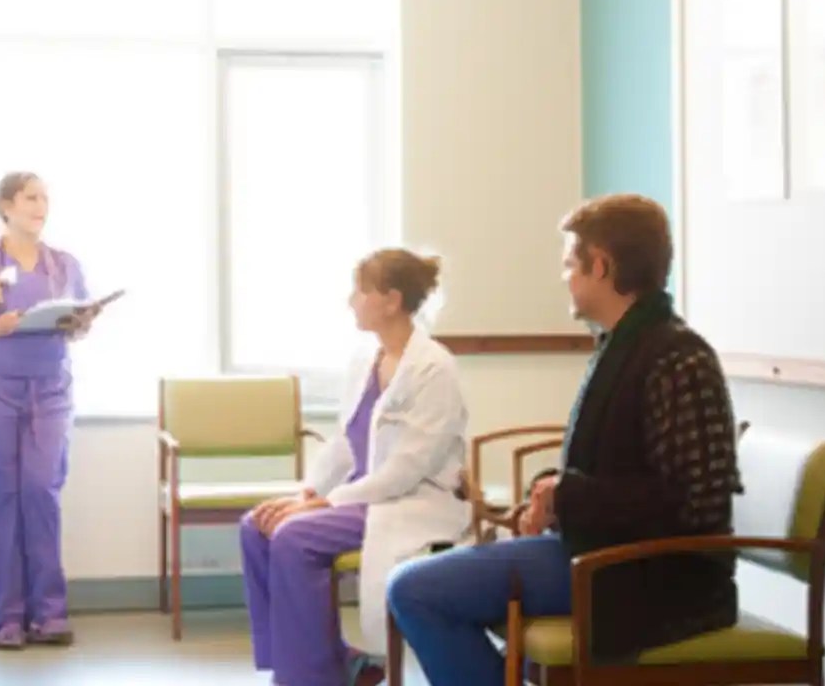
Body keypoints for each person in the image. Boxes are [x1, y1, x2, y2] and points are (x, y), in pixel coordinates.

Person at [386, 194, 742, 686]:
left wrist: (565, 495)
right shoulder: (625, 345)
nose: (564, 278)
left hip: (649, 574)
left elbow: (694, 504)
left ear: (602, 266)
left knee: (414, 590)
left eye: (570, 264)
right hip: (600, 552)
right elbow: (611, 473)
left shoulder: (679, 358)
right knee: (415, 586)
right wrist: (549, 492)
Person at [239, 248, 472, 686]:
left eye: (361, 290)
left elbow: (406, 470)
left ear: (391, 300)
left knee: (292, 537)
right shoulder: (365, 361)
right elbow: (346, 443)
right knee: (257, 526)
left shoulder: (434, 368)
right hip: (361, 496)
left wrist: (326, 502)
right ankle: (330, 662)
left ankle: (311, 677)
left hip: (407, 501)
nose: (352, 300)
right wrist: (307, 493)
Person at [0, 171, 98, 649]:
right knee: (4, 497)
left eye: (45, 198)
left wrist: (79, 325)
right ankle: (9, 616)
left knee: (41, 492)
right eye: (31, 197)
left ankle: (50, 613)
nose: (40, 205)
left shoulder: (64, 265)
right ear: (6, 206)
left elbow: (78, 324)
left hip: (50, 390)